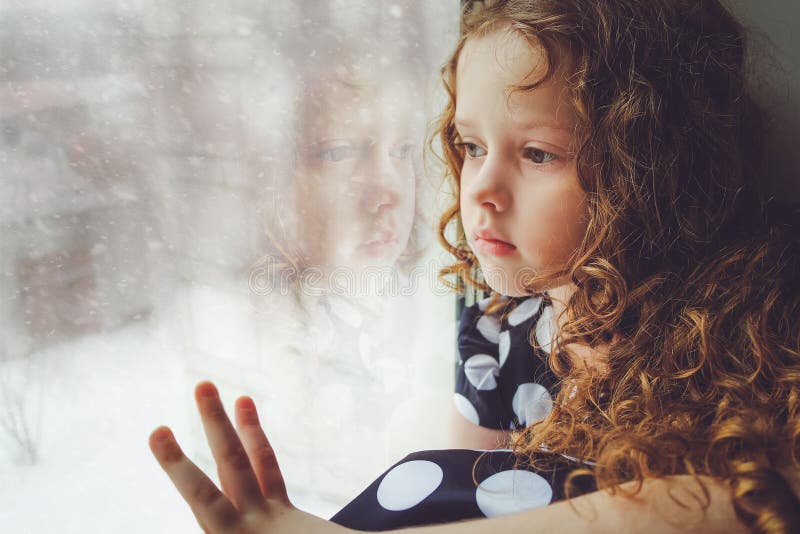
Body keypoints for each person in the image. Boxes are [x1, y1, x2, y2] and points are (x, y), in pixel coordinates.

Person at [148, 0, 800, 532]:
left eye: (539, 154)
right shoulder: (499, 325)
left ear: (651, 166)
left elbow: (739, 504)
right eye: (471, 145)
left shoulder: (755, 308)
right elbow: (464, 489)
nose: (480, 189)